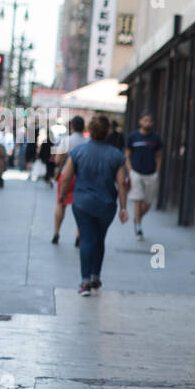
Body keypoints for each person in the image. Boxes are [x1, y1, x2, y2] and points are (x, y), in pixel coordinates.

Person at [57, 115, 128, 295]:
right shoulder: (116, 155)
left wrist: (63, 194)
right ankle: (96, 276)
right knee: (100, 239)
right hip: (106, 205)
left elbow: (66, 177)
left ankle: (85, 281)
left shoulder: (78, 152)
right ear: (108, 131)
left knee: (86, 239)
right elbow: (121, 184)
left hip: (82, 203)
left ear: (90, 129)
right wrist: (123, 207)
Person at [124, 113, 163, 240]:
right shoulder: (133, 136)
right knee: (138, 199)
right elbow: (127, 155)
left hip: (151, 173)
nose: (147, 123)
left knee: (148, 202)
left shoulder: (155, 138)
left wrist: (157, 170)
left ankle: (137, 218)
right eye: (145, 120)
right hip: (136, 172)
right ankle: (138, 227)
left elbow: (159, 155)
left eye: (150, 121)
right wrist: (130, 170)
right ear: (140, 121)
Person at [51, 116, 85, 245]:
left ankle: (56, 233)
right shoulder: (87, 142)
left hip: (66, 175)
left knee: (61, 203)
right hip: (82, 178)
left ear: (72, 126)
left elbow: (57, 160)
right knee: (80, 208)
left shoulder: (66, 140)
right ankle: (78, 235)